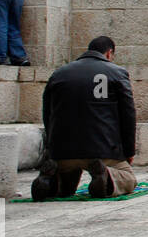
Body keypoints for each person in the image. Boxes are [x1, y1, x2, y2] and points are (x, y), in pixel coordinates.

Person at [32, 36, 137, 201]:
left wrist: (52, 149)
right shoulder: (117, 72)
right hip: (102, 149)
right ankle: (107, 178)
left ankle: (52, 182)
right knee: (128, 178)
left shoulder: (59, 74)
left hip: (63, 150)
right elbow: (128, 114)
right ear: (109, 53)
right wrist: (129, 150)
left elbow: (48, 113)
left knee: (67, 180)